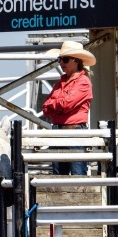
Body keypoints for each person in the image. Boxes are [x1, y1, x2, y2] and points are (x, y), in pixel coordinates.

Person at [42, 40, 96, 176]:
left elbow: (64, 105)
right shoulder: (61, 83)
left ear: (76, 61)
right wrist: (60, 104)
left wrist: (56, 104)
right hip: (62, 131)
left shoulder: (83, 82)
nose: (61, 63)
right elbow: (46, 108)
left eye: (65, 60)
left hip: (74, 131)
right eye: (60, 59)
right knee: (59, 174)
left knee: (77, 173)